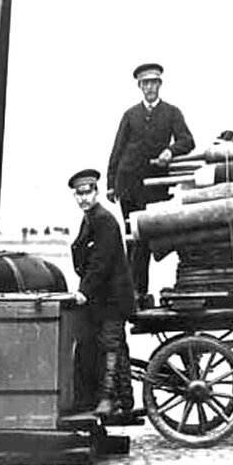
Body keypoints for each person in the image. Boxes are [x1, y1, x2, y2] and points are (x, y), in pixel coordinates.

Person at [105, 62, 195, 303]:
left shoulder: (172, 113)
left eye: (154, 83)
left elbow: (188, 141)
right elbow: (117, 150)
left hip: (155, 187)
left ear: (160, 85)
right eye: (145, 84)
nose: (150, 88)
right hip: (128, 185)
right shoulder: (130, 115)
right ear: (140, 87)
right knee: (132, 241)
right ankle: (134, 293)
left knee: (146, 238)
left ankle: (138, 291)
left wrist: (170, 151)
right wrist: (111, 183)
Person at [69, 168, 136, 418]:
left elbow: (101, 262)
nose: (84, 198)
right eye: (79, 194)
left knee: (110, 345)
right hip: (102, 298)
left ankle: (109, 399)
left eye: (88, 192)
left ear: (96, 192)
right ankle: (121, 397)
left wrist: (84, 291)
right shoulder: (90, 219)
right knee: (104, 345)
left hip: (113, 298)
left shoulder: (104, 220)